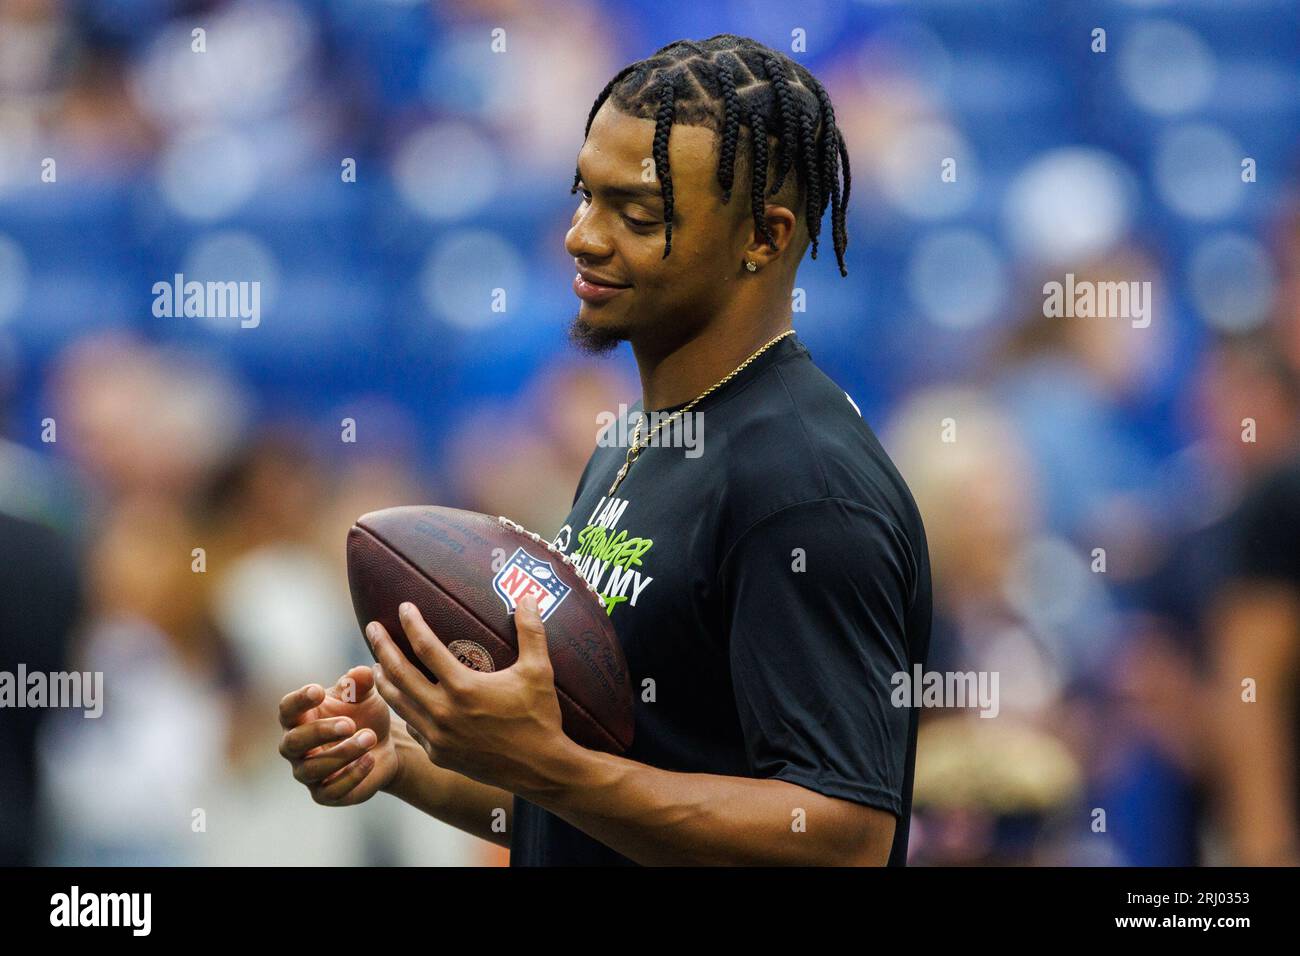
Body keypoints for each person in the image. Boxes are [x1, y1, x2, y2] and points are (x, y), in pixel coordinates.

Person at [279, 34, 931, 866]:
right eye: (584, 195)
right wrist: (402, 760)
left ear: (763, 238)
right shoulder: (633, 439)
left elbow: (843, 839)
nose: (582, 238)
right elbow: (598, 807)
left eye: (637, 214)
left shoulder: (803, 484)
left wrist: (550, 769)